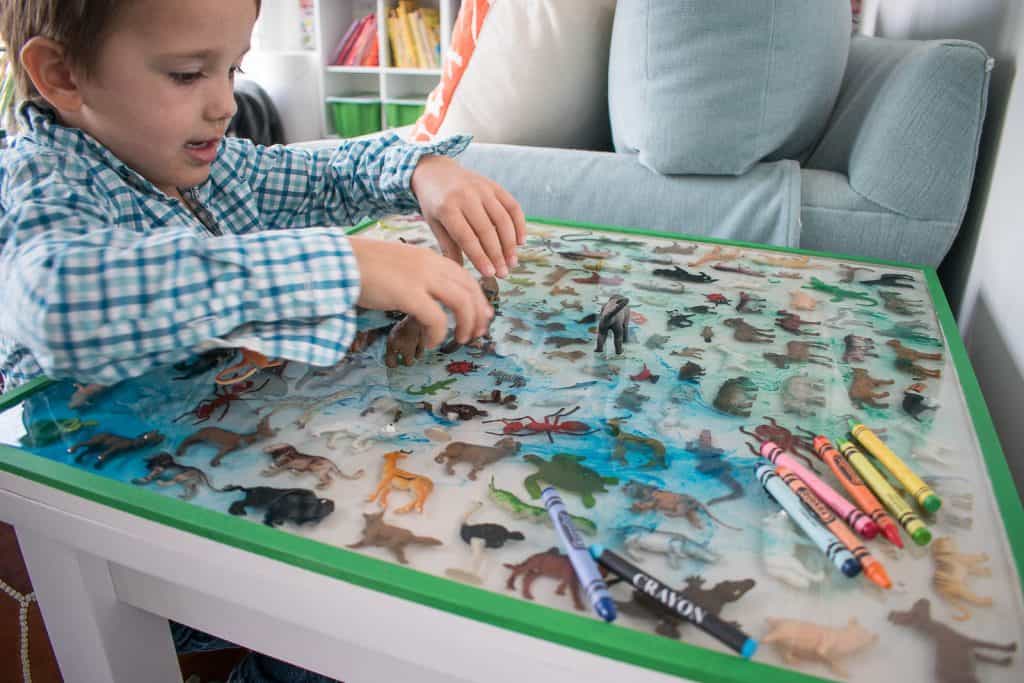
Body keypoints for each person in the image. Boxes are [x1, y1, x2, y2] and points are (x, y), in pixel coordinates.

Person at [0, 1, 524, 680]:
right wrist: (339, 264)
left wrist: (423, 171)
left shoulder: (205, 164)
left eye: (235, 67)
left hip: (211, 494)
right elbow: (58, 300)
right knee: (379, 621)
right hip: (96, 559)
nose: (224, 103)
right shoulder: (38, 179)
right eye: (188, 74)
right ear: (61, 75)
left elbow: (328, 171)